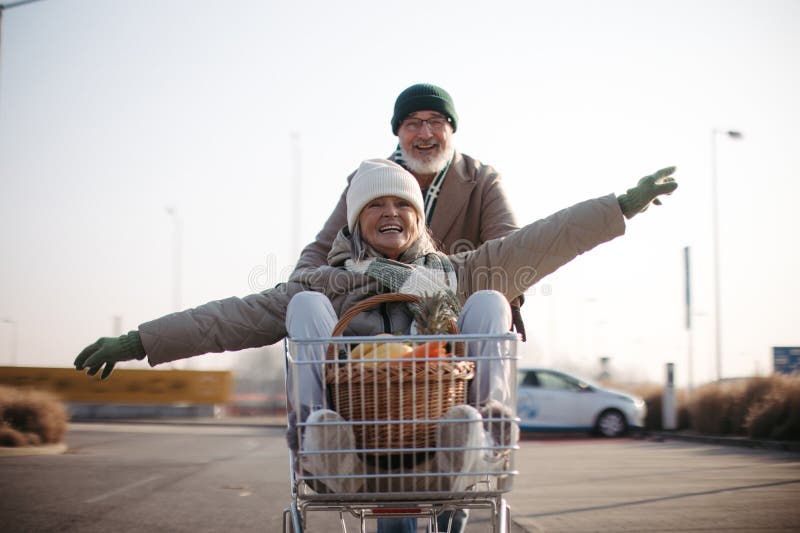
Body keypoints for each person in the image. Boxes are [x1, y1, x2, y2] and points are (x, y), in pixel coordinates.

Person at [74, 158, 678, 533]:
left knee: (492, 300)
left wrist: (619, 206)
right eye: (375, 206)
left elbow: (543, 242)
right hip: (353, 443)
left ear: (418, 218)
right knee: (302, 307)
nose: (390, 213)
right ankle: (317, 432)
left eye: (401, 204)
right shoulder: (323, 283)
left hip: (443, 431)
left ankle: (488, 431)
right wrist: (138, 338)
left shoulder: (455, 272)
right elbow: (223, 320)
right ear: (356, 222)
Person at [294, 83, 531, 340]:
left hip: (453, 316)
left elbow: (507, 245)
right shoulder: (366, 182)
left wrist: (512, 299)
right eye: (413, 124)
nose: (425, 133)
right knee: (306, 305)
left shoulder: (483, 181)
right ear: (398, 132)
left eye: (436, 122)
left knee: (490, 303)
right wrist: (299, 286)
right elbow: (324, 246)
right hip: (373, 317)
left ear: (451, 129)